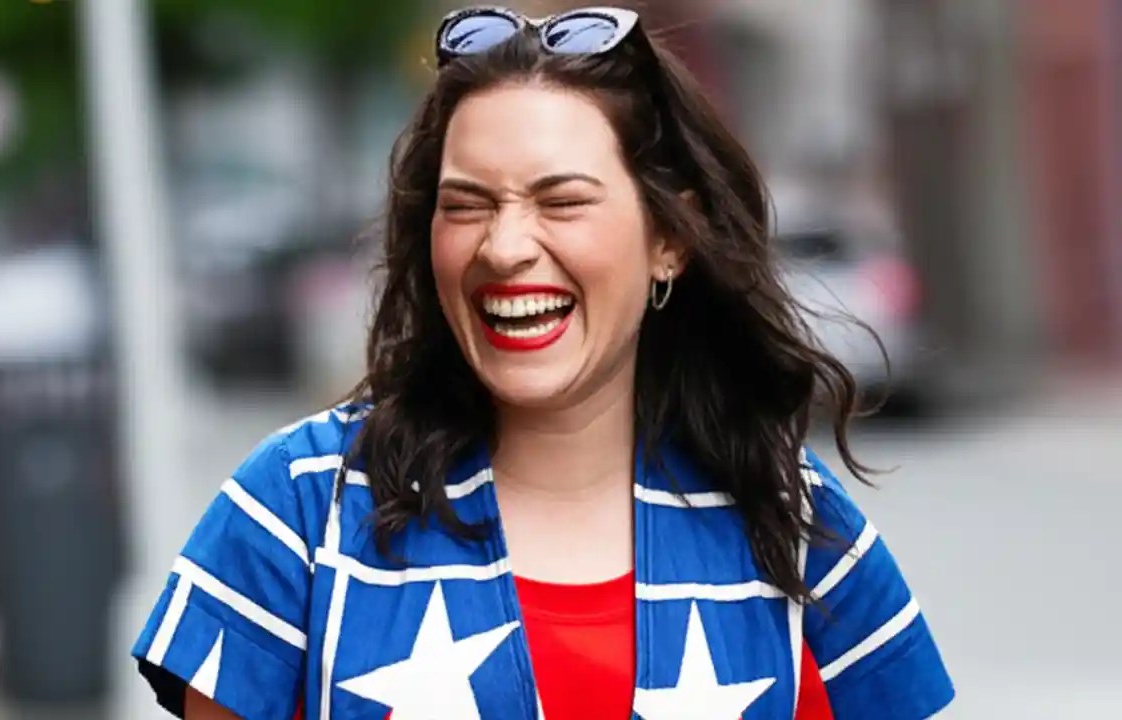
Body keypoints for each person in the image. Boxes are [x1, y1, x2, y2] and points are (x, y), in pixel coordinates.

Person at [132, 6, 955, 719]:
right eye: (467, 205)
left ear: (669, 238)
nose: (506, 245)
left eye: (562, 201)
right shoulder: (295, 508)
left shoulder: (794, 518)